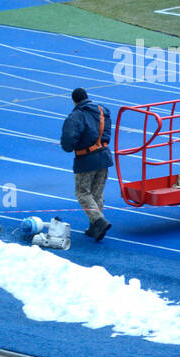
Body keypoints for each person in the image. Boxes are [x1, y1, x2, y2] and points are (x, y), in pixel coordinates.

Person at [60, 87, 112, 242]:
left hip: (86, 159)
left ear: (74, 100)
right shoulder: (103, 111)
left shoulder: (76, 115)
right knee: (97, 193)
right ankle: (94, 228)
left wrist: (69, 147)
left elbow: (68, 139)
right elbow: (107, 132)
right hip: (104, 156)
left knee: (82, 193)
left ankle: (98, 221)